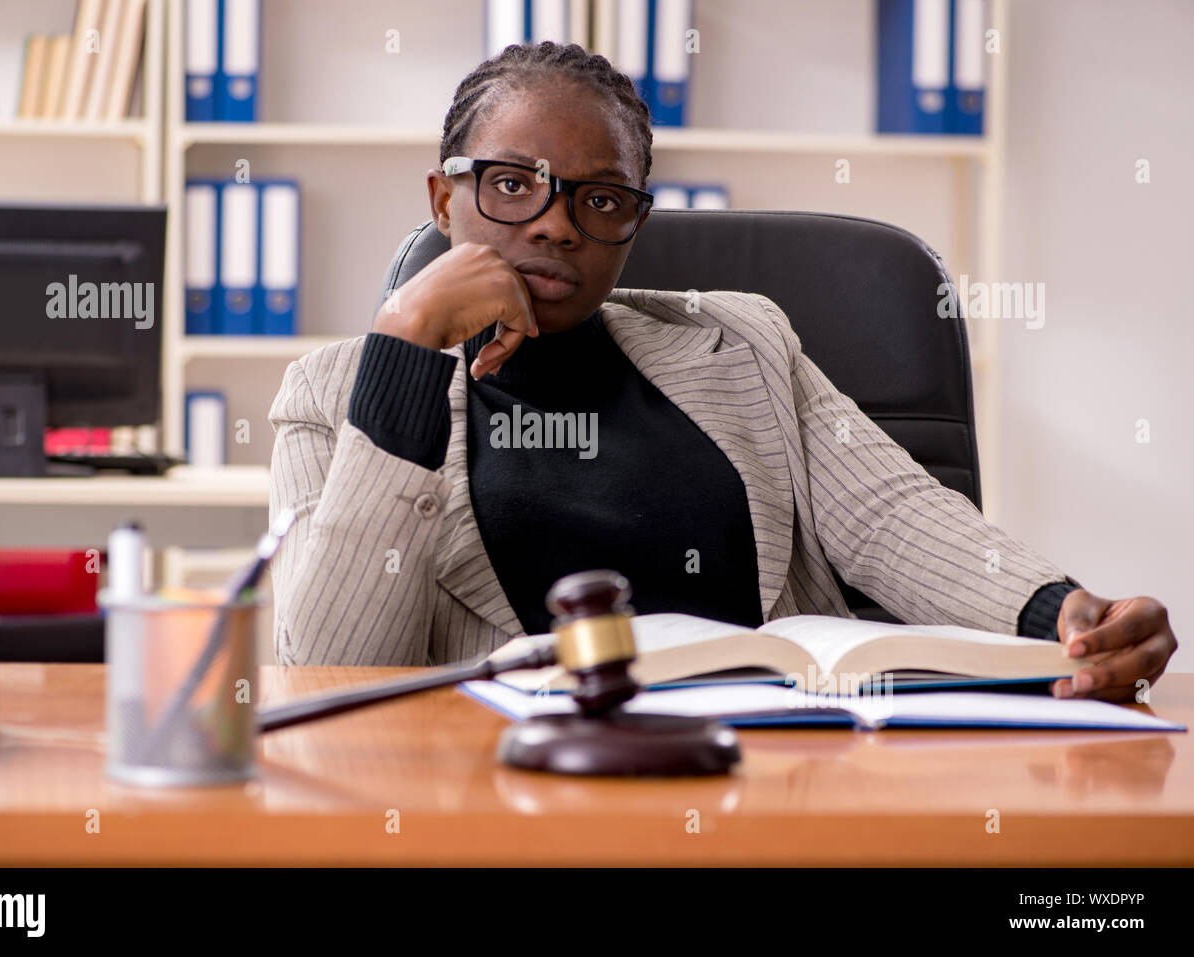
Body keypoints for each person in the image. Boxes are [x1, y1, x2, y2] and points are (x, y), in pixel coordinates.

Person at [267, 41, 1176, 701]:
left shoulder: (745, 343)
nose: (554, 224)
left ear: (634, 223)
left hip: (784, 783)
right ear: (443, 198)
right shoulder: (330, 394)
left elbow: (893, 516)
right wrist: (405, 350)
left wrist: (1058, 613)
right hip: (509, 799)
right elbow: (326, 669)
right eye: (512, 183)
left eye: (600, 198)